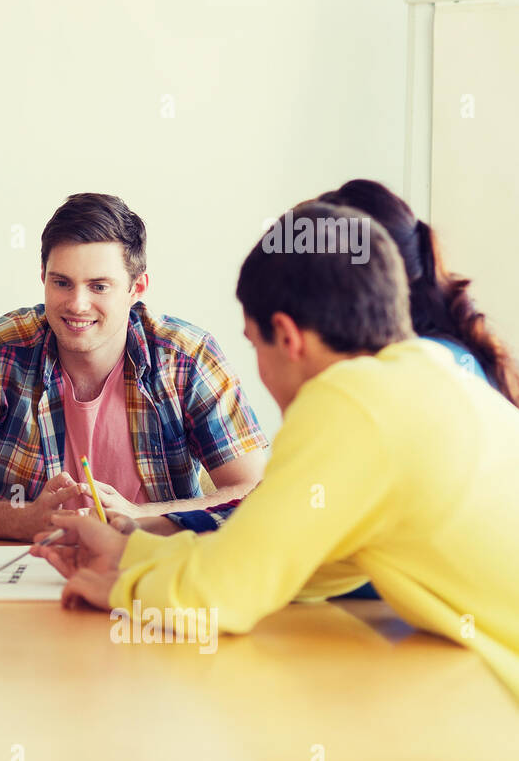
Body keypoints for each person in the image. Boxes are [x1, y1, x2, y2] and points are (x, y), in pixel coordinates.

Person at [32, 201, 519, 700]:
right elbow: (296, 566)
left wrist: (117, 590)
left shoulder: (350, 404)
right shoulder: (427, 373)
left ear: (286, 336)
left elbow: (220, 599)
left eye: (255, 345)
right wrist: (132, 553)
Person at [0, 192, 268, 542]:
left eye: (99, 286)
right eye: (61, 283)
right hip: (24, 565)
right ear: (43, 277)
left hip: (146, 565)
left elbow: (255, 492)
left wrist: (140, 515)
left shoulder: (188, 357)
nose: (77, 304)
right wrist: (25, 520)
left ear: (137, 287)